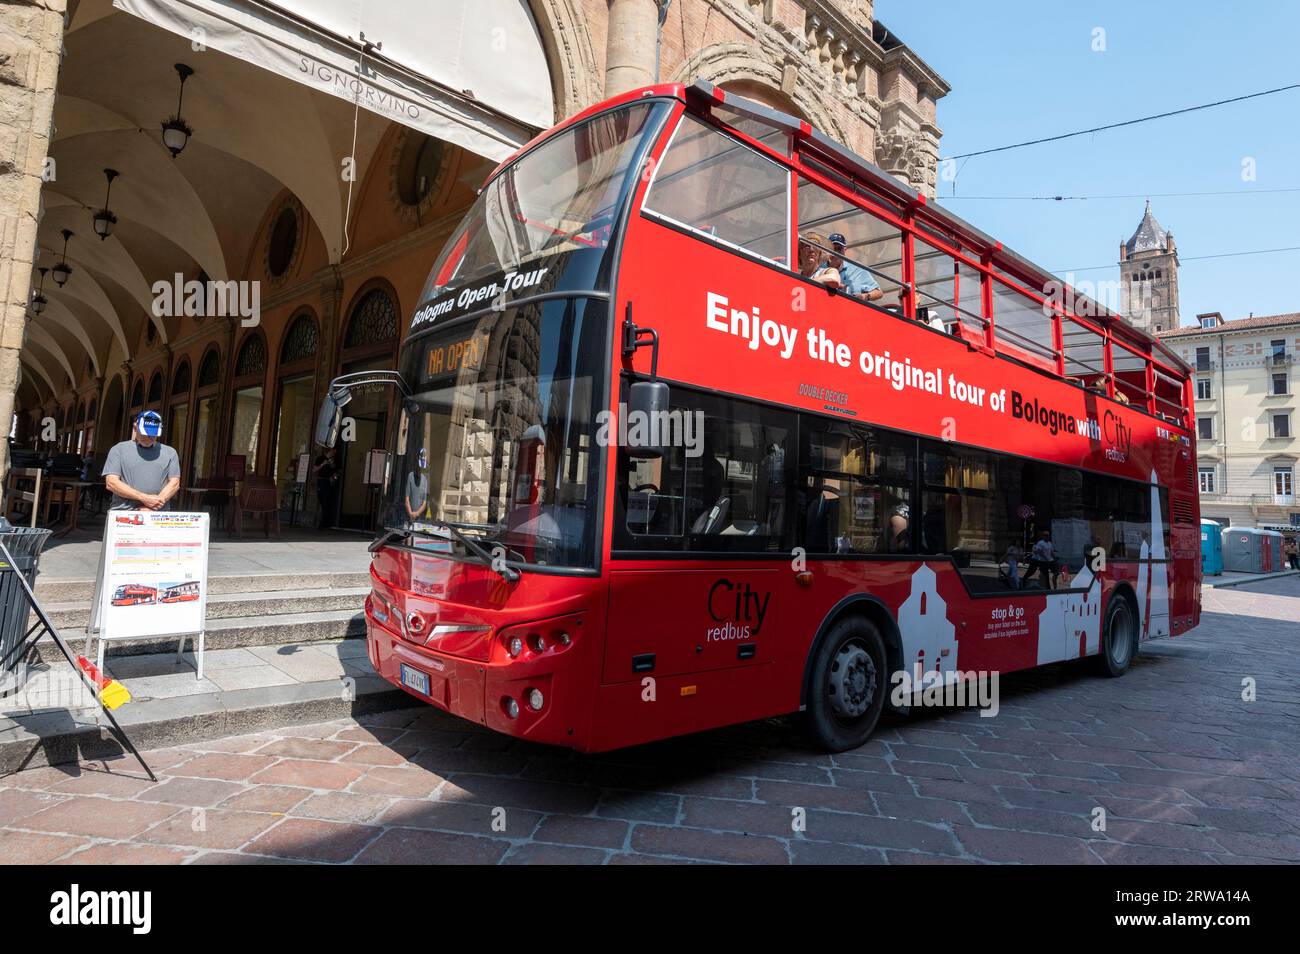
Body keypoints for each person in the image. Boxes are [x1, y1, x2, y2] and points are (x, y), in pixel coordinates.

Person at [102, 409, 181, 510]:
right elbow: (111, 483)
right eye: (145, 433)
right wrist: (144, 498)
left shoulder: (170, 452)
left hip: (158, 515)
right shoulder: (119, 449)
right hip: (124, 513)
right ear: (135, 428)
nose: (149, 437)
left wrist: (154, 506)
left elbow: (174, 483)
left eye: (153, 434)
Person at [828, 233, 883, 301]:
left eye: (839, 248)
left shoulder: (857, 268)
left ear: (845, 250)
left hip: (851, 308)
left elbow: (878, 292)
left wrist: (864, 296)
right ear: (827, 250)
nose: (836, 252)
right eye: (833, 248)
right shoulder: (820, 266)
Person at [313, 446, 339, 529]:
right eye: (332, 451)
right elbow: (314, 470)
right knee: (321, 501)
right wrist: (322, 464)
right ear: (328, 451)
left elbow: (334, 472)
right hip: (321, 481)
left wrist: (334, 476)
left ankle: (325, 523)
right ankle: (319, 522)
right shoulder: (320, 458)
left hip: (328, 482)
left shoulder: (332, 461)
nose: (333, 453)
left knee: (327, 502)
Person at [405, 447, 430, 520]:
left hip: (419, 517)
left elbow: (424, 503)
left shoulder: (425, 479)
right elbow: (407, 499)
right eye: (420, 465)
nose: (420, 467)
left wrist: (417, 513)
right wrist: (410, 513)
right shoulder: (410, 476)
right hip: (409, 515)